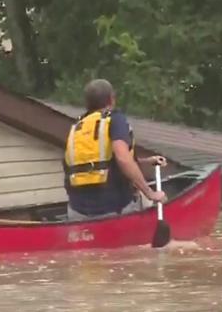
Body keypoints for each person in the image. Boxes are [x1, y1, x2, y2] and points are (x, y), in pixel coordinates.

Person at [63, 79, 168, 220]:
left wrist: (147, 161)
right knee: (154, 200)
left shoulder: (77, 127)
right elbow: (123, 159)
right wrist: (150, 193)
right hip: (112, 210)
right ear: (111, 99)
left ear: (87, 103)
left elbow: (99, 163)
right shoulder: (115, 119)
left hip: (77, 212)